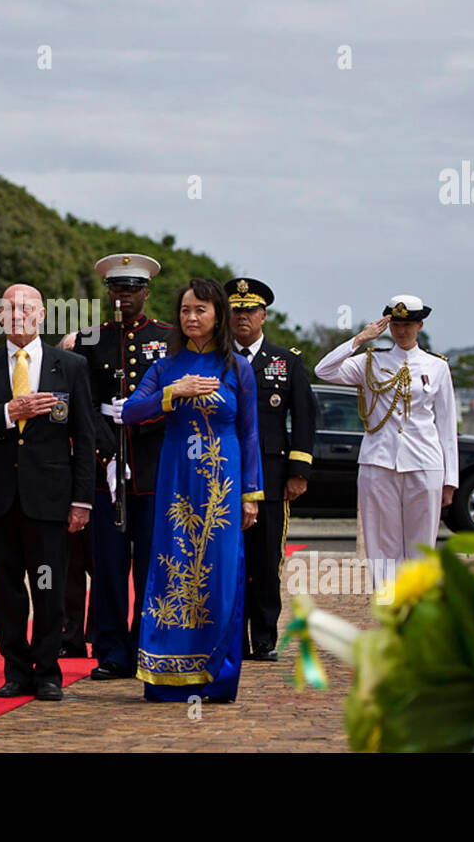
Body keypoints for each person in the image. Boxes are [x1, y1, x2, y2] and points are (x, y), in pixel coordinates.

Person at [120, 278, 262, 702]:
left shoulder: (237, 367)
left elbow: (250, 433)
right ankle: (166, 674)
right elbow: (128, 412)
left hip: (223, 484)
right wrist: (170, 394)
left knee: (220, 574)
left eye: (200, 309)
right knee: (171, 567)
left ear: (217, 314)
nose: (191, 317)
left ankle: (215, 676)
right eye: (185, 310)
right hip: (176, 482)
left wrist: (250, 493)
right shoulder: (165, 367)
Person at [0, 283, 95, 701]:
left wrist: (81, 501)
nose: (17, 314)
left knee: (49, 588)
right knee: (7, 589)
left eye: (25, 308)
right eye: (9, 308)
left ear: (42, 315)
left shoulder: (69, 366)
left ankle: (48, 670)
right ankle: (15, 670)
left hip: (49, 500)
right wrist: (7, 413)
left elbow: (84, 436)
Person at [74, 253, 173, 681]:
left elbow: (174, 401)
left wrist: (139, 414)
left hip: (152, 469)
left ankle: (147, 645)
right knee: (109, 567)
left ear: (145, 293)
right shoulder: (89, 340)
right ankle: (112, 651)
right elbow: (80, 406)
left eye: (131, 289)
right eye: (116, 289)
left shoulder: (168, 339)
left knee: (151, 565)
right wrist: (105, 453)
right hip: (105, 472)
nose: (123, 296)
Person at [315, 295, 458, 575]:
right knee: (381, 546)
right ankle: (388, 608)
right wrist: (360, 339)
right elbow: (323, 370)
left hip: (424, 462)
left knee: (421, 546)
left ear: (420, 325)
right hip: (378, 462)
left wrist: (450, 479)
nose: (402, 331)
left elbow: (446, 425)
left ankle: (417, 608)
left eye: (409, 324)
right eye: (396, 324)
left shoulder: (437, 366)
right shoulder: (369, 361)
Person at [225, 277, 317, 662]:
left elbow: (305, 416)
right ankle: (231, 637)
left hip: (271, 475)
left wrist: (299, 470)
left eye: (250, 311)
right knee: (228, 560)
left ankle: (263, 638)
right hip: (224, 472)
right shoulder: (216, 359)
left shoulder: (286, 360)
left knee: (264, 560)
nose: (243, 317)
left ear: (263, 316)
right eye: (236, 311)